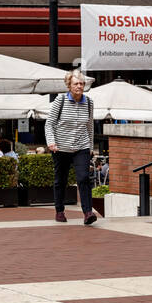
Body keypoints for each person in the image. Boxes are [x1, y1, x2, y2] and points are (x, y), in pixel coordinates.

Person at [46, 69, 97, 224]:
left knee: (83, 178)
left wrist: (91, 146)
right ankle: (59, 211)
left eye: (81, 83)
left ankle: (88, 213)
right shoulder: (60, 101)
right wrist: (51, 142)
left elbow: (90, 126)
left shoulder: (88, 102)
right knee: (60, 180)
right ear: (69, 85)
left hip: (81, 147)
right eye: (76, 83)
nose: (79, 86)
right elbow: (50, 124)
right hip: (60, 147)